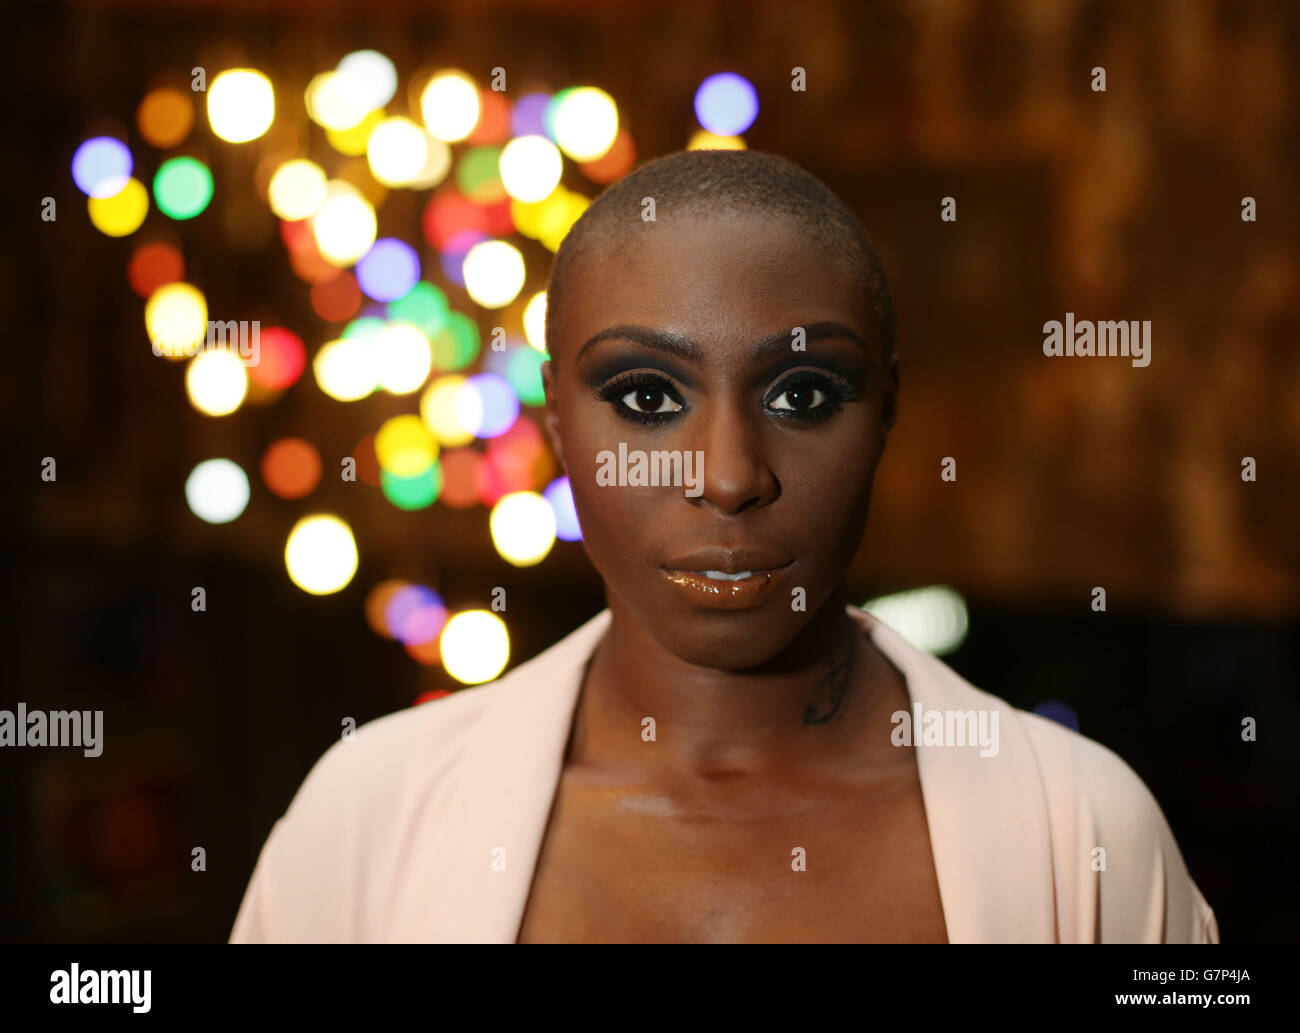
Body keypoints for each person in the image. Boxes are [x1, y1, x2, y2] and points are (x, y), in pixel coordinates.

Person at [230, 149, 1218, 943]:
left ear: (884, 416)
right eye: (648, 398)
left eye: (802, 394)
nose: (732, 475)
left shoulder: (1084, 833)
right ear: (559, 424)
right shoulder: (368, 817)